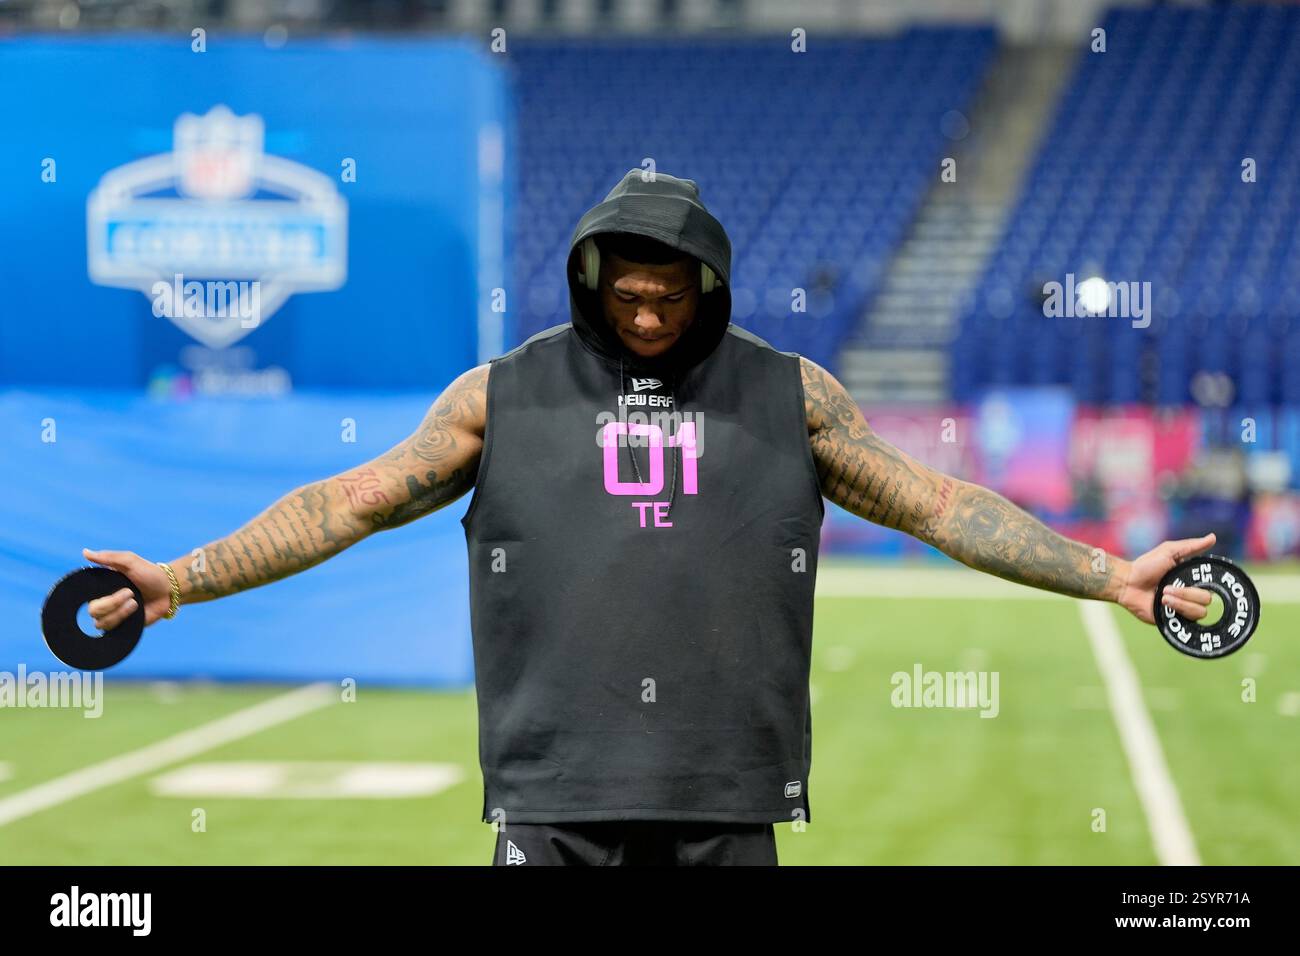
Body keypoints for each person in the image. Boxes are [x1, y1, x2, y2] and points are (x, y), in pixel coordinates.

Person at [83, 170, 1216, 866]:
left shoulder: (791, 394)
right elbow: (348, 499)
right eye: (622, 294)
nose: (644, 316)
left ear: (708, 285)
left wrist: (1105, 572)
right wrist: (185, 576)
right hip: (554, 790)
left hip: (725, 789)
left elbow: (938, 501)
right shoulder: (498, 396)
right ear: (589, 279)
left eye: (668, 297)